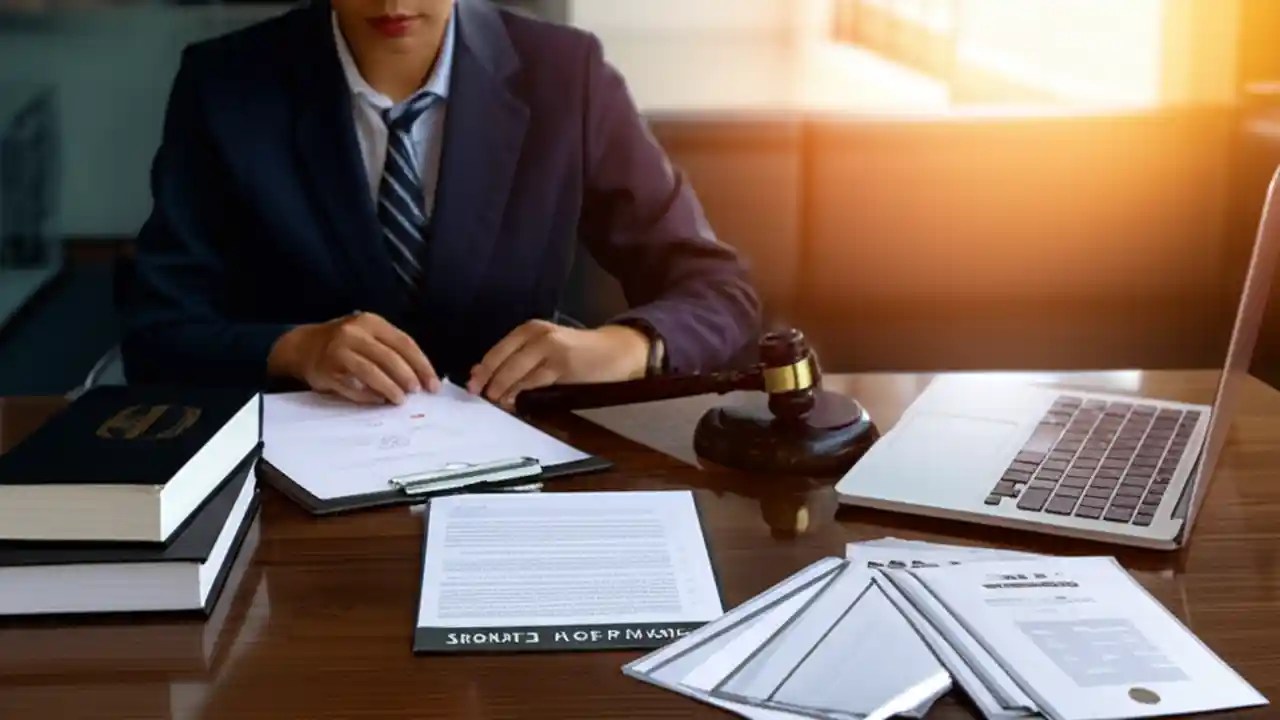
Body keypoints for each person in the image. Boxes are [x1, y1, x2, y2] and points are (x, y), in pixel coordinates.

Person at [118, 0, 761, 408]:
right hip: (295, 490)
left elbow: (719, 294)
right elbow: (157, 332)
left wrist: (619, 348)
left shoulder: (566, 73)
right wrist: (295, 349)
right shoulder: (224, 83)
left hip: (522, 464)